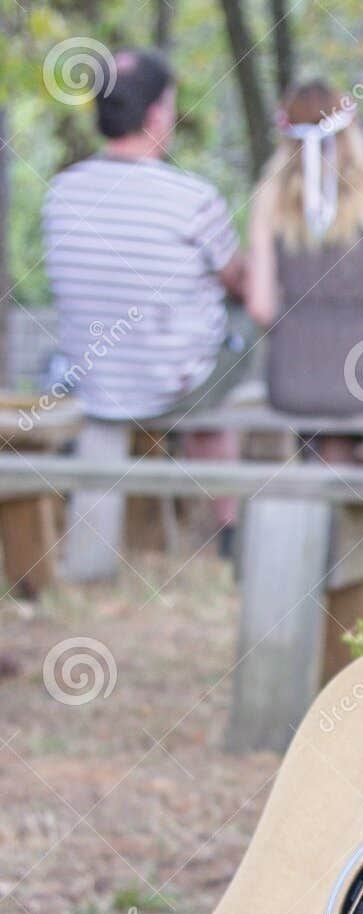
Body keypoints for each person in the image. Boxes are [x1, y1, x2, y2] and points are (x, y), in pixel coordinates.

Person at [43, 47, 248, 547]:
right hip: (177, 383)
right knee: (242, 339)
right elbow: (241, 284)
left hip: (90, 378)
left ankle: (93, 531)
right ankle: (229, 526)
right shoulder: (193, 198)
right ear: (157, 114)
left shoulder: (60, 193)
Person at [246, 79, 363, 463]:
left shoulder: (269, 198)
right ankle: (348, 505)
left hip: (291, 384)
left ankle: (316, 501)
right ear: (352, 131)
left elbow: (261, 309)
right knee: (350, 415)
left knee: (319, 428)